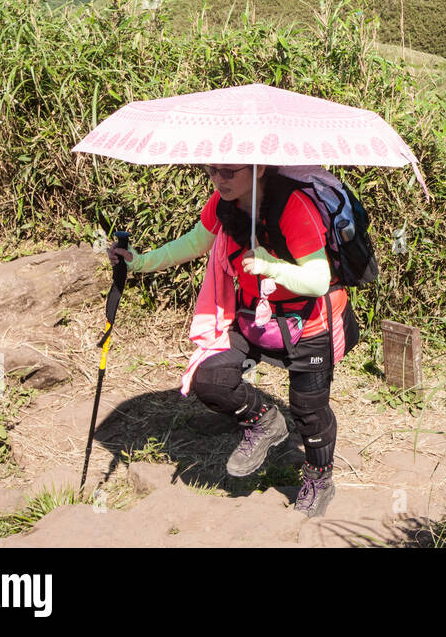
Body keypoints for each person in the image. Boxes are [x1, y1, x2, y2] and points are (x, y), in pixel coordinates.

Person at [107, 162, 345, 517]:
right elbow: (193, 243)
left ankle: (318, 480)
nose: (219, 179)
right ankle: (264, 421)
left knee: (309, 411)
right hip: (255, 319)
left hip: (309, 323)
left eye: (230, 171)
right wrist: (139, 262)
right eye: (212, 171)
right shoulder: (223, 203)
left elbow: (316, 282)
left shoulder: (295, 208)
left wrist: (270, 266)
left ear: (259, 168)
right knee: (210, 378)